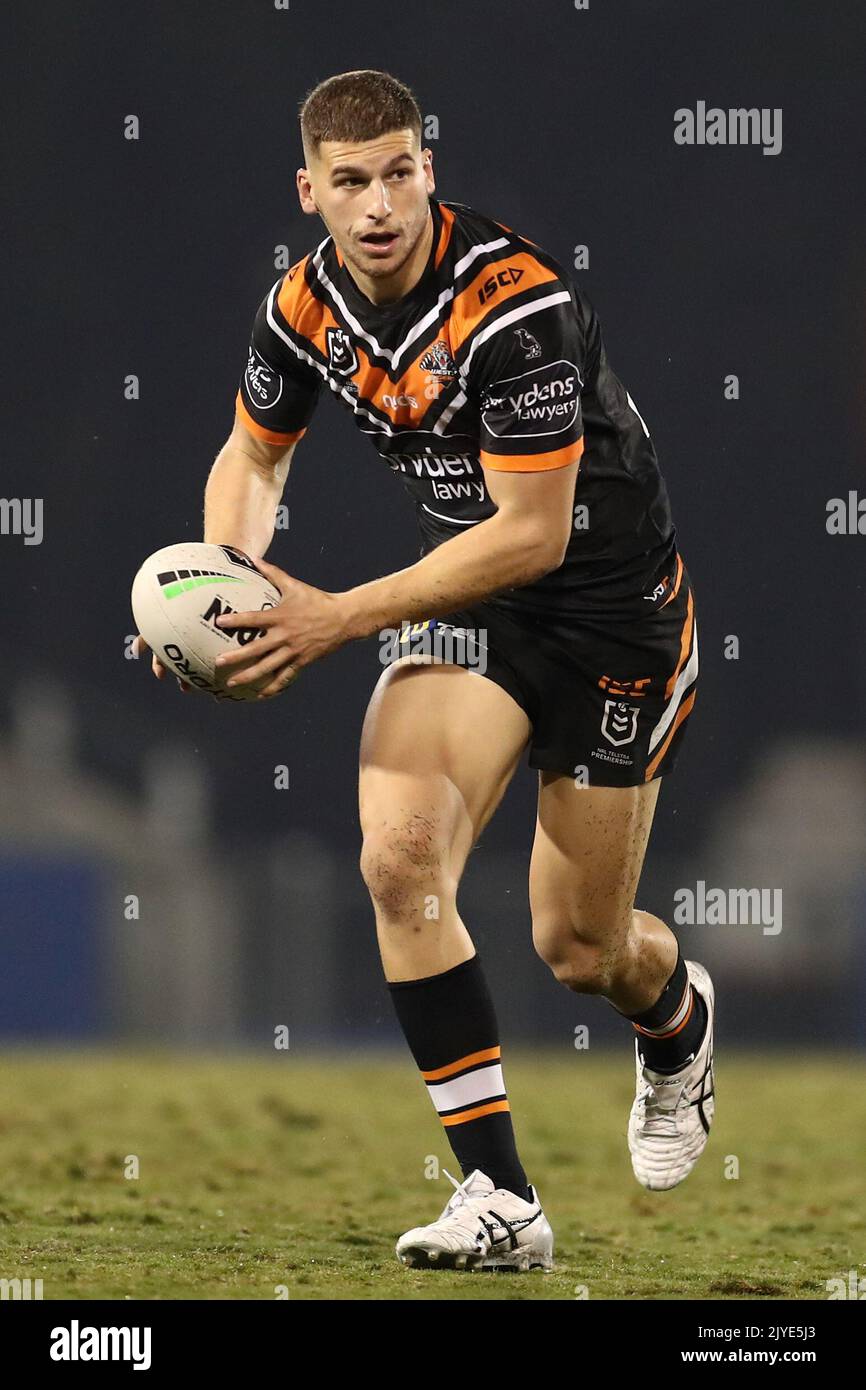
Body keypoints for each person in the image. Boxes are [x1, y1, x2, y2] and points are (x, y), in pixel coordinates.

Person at [134, 68, 713, 1273]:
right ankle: (500, 1197)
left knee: (581, 950)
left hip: (610, 617)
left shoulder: (512, 307)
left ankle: (676, 1023)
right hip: (473, 611)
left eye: (400, 171)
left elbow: (533, 532)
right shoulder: (299, 307)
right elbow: (251, 455)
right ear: (312, 193)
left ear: (427, 171)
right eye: (351, 181)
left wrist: (335, 614)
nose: (380, 201)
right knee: (398, 860)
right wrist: (226, 590)